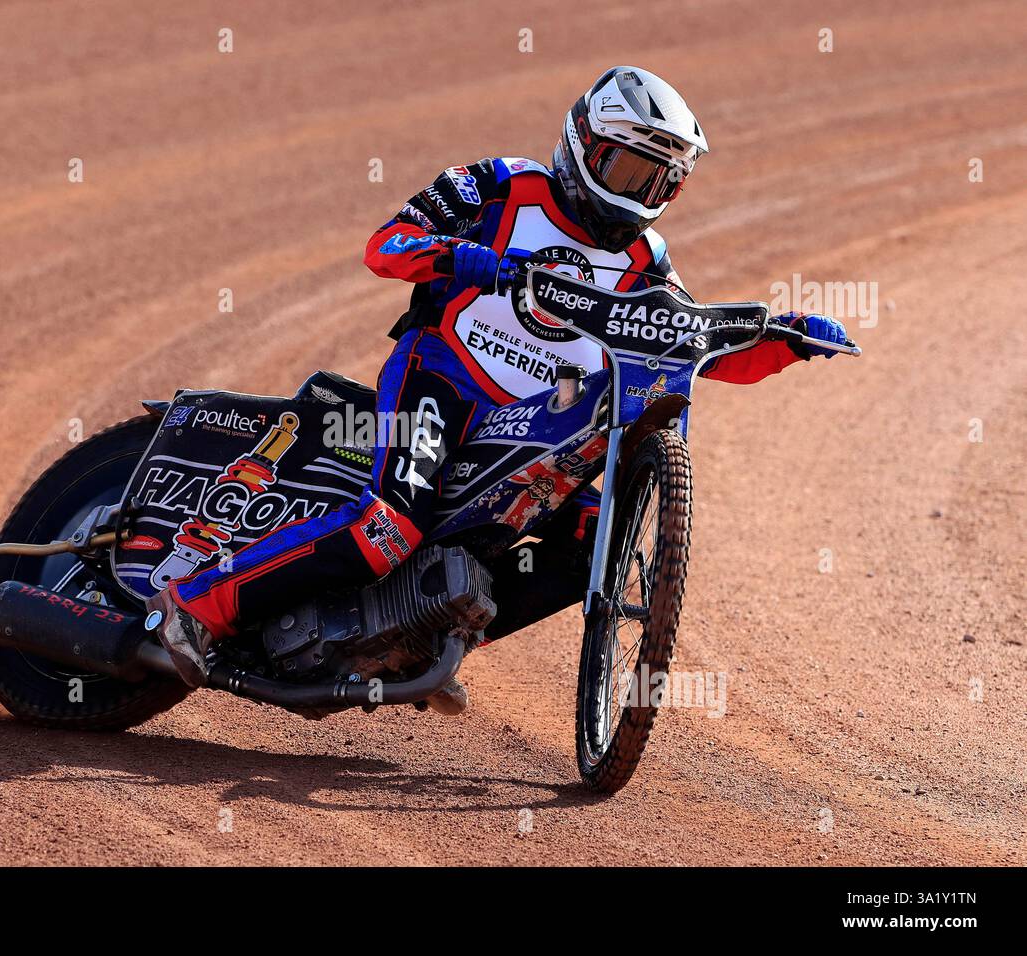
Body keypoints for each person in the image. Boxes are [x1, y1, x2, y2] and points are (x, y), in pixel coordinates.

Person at [148, 66, 848, 689]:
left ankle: (421, 639)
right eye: (625, 170)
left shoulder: (648, 259)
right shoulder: (502, 184)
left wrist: (785, 340)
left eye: (655, 181)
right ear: (583, 142)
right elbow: (386, 245)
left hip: (531, 425)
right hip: (443, 377)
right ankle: (198, 604)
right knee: (388, 523)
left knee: (596, 534)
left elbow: (689, 345)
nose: (636, 193)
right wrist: (460, 257)